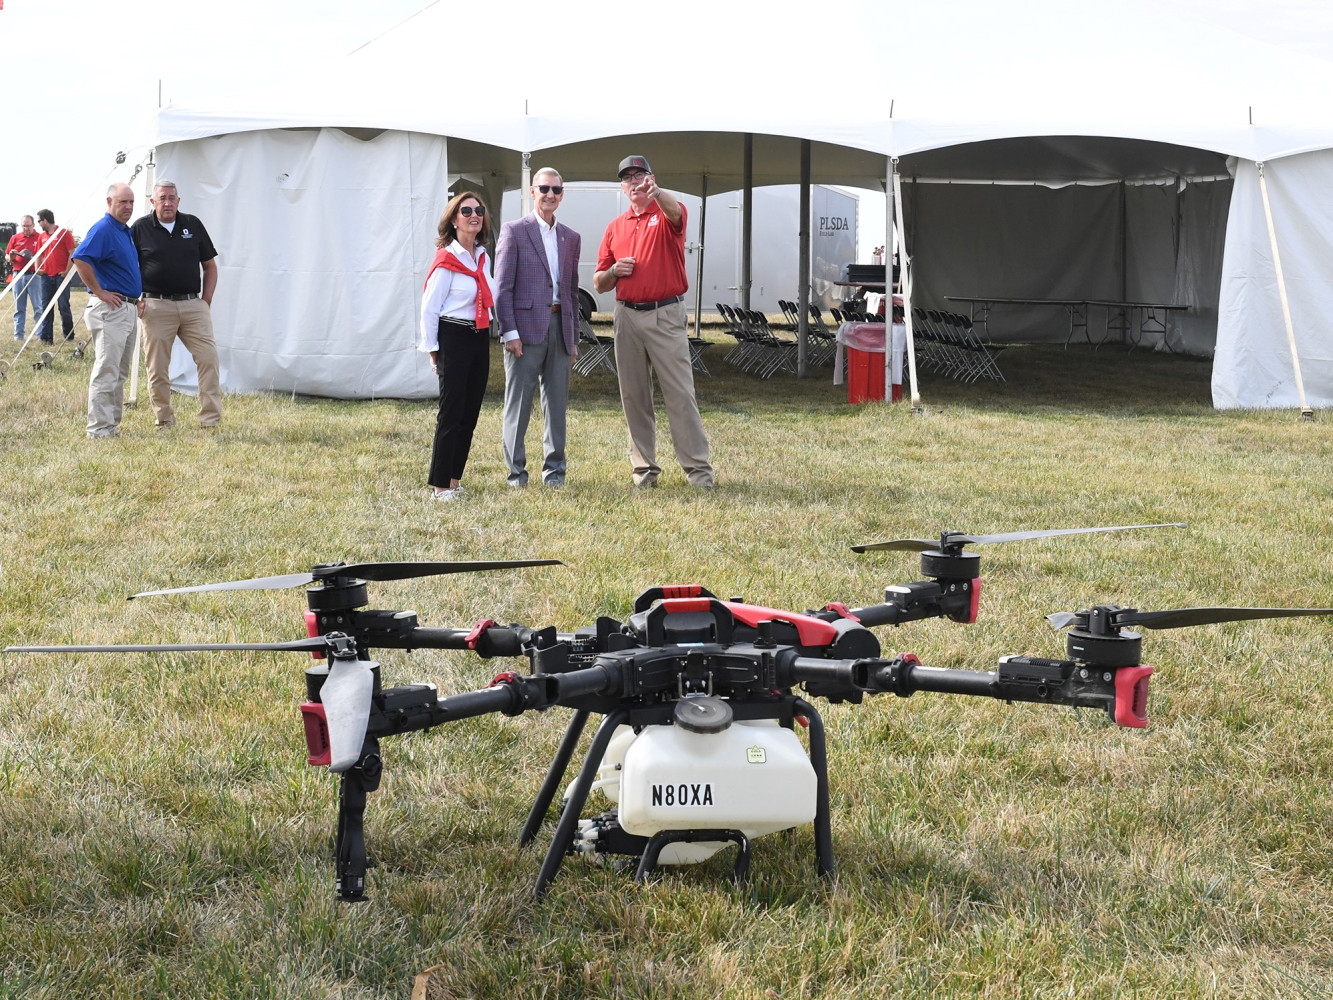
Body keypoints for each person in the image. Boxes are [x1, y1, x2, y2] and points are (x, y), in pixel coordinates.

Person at [593, 155, 713, 489]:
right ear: (622, 186)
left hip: (665, 314)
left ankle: (698, 472)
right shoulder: (615, 227)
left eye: (640, 175)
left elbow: (677, 213)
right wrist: (614, 272)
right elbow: (598, 282)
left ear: (651, 179)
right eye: (627, 178)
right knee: (634, 396)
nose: (634, 182)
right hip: (626, 316)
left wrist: (658, 192)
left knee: (679, 393)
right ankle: (644, 470)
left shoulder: (666, 213)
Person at [494, 167, 581, 488]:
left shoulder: (571, 238)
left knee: (556, 406)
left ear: (561, 195)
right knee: (518, 404)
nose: (550, 195)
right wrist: (510, 332)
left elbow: (571, 292)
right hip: (524, 332)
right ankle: (516, 474)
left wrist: (572, 339)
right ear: (532, 192)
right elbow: (502, 288)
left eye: (556, 190)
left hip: (560, 328)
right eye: (544, 188)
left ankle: (554, 473)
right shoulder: (514, 231)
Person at [419, 191, 494, 502]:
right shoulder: (447, 260)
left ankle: (454, 480)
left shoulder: (482, 257)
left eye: (478, 210)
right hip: (454, 336)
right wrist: (434, 350)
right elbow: (429, 308)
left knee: (470, 412)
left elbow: (491, 295)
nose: (474, 215)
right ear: (453, 219)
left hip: (479, 335)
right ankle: (439, 487)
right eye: (466, 211)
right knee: (451, 412)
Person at [131, 181, 222, 429]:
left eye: (172, 198)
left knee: (209, 360)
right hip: (156, 306)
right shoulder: (140, 228)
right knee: (158, 368)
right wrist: (137, 299)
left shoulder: (192, 224)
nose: (168, 203)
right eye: (162, 198)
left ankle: (210, 420)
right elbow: (128, 266)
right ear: (153, 201)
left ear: (179, 201)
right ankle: (164, 420)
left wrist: (206, 301)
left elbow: (210, 266)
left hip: (193, 305)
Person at [71, 183, 142, 439]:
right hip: (110, 309)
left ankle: (111, 425)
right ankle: (98, 428)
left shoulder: (125, 232)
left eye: (132, 202)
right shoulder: (103, 229)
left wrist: (136, 298)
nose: (129, 207)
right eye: (123, 202)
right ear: (109, 201)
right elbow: (81, 258)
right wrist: (99, 291)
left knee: (120, 371)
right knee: (107, 368)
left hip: (128, 307)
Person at [35, 209, 77, 343]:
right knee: (46, 307)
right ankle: (47, 338)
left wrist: (66, 272)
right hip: (46, 277)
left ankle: (68, 336)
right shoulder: (42, 237)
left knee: (63, 306)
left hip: (61, 277)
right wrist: (37, 269)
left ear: (45, 220)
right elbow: (39, 255)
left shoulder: (64, 233)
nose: (39, 224)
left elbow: (72, 253)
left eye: (39, 221)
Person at [5, 216, 42, 341]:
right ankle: (18, 336)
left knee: (38, 307)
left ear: (33, 225)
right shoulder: (15, 238)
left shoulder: (40, 238)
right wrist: (11, 256)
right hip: (18, 275)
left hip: (34, 275)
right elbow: (7, 256)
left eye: (28, 226)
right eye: (24, 226)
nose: (26, 228)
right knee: (19, 308)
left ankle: (40, 335)